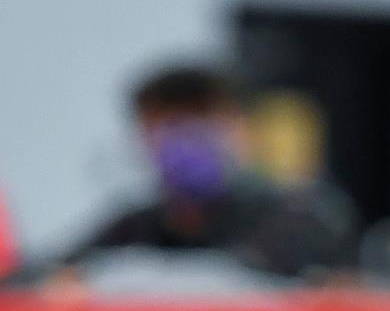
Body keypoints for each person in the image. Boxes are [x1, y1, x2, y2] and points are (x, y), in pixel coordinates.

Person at [14, 63, 356, 289]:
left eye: (201, 120)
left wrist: (119, 280)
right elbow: (36, 276)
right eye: (166, 126)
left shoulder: (303, 215)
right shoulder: (137, 226)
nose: (183, 139)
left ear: (242, 130)